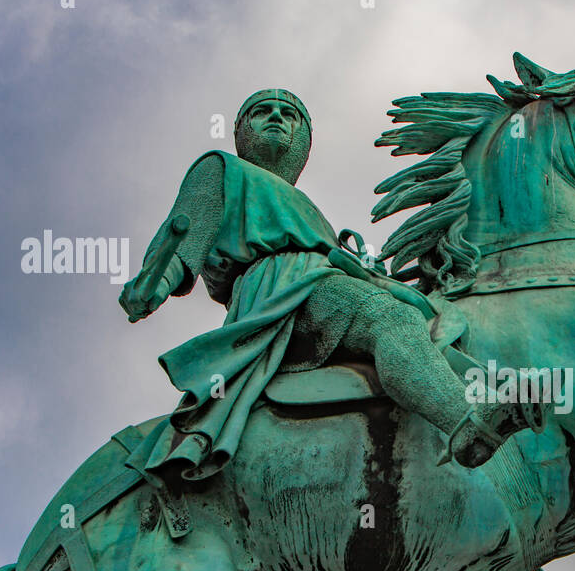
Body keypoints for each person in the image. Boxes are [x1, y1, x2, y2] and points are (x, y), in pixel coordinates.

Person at [120, 88, 542, 484]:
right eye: (261, 111)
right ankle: (466, 422)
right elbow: (183, 243)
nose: (276, 118)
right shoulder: (222, 169)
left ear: (303, 140)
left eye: (289, 115)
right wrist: (153, 285)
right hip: (283, 288)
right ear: (239, 133)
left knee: (434, 321)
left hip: (324, 282)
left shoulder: (306, 206)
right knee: (387, 317)